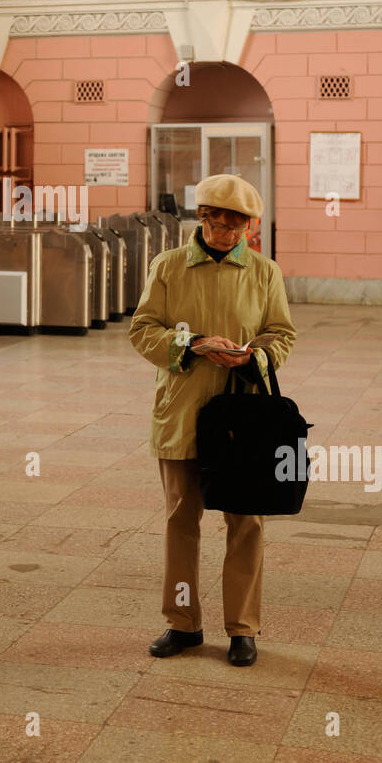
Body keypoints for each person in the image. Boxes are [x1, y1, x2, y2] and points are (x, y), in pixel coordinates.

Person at [129, 175, 296, 668]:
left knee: (246, 522)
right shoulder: (168, 266)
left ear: (249, 226)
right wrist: (193, 344)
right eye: (217, 222)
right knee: (181, 520)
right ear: (201, 218)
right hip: (181, 411)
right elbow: (143, 329)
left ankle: (243, 628)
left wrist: (251, 358)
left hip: (244, 417)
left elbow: (281, 334)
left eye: (236, 225)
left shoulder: (265, 272)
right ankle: (182, 623)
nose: (225, 232)